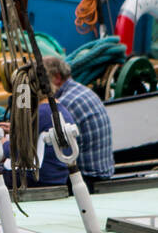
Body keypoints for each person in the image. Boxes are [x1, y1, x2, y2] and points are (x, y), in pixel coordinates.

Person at [0, 97, 76, 191]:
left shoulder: (39, 113)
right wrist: (15, 130)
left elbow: (16, 153)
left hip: (34, 180)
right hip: (57, 177)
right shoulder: (59, 108)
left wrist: (2, 141)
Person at [43, 53, 114, 182]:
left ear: (57, 78)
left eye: (44, 81)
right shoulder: (81, 90)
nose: (41, 87)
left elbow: (53, 151)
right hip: (104, 172)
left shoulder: (63, 104)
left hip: (88, 178)